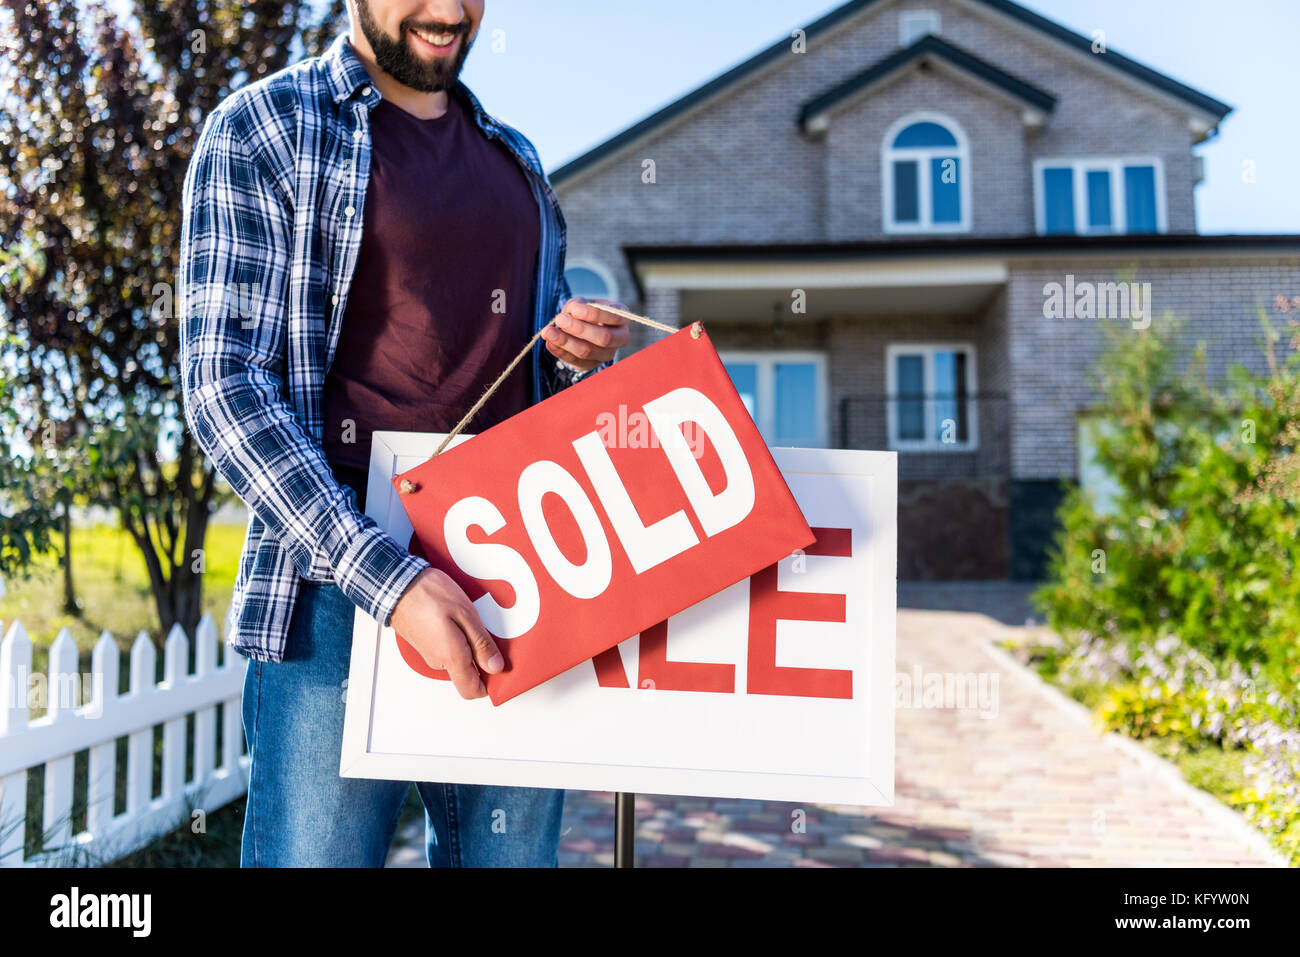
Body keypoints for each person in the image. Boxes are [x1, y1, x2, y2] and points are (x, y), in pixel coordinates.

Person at [177, 0, 630, 867]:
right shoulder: (265, 129)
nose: (451, 10)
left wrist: (572, 360)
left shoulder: (517, 161)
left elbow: (524, 384)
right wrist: (392, 580)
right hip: (336, 592)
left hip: (520, 586)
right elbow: (224, 389)